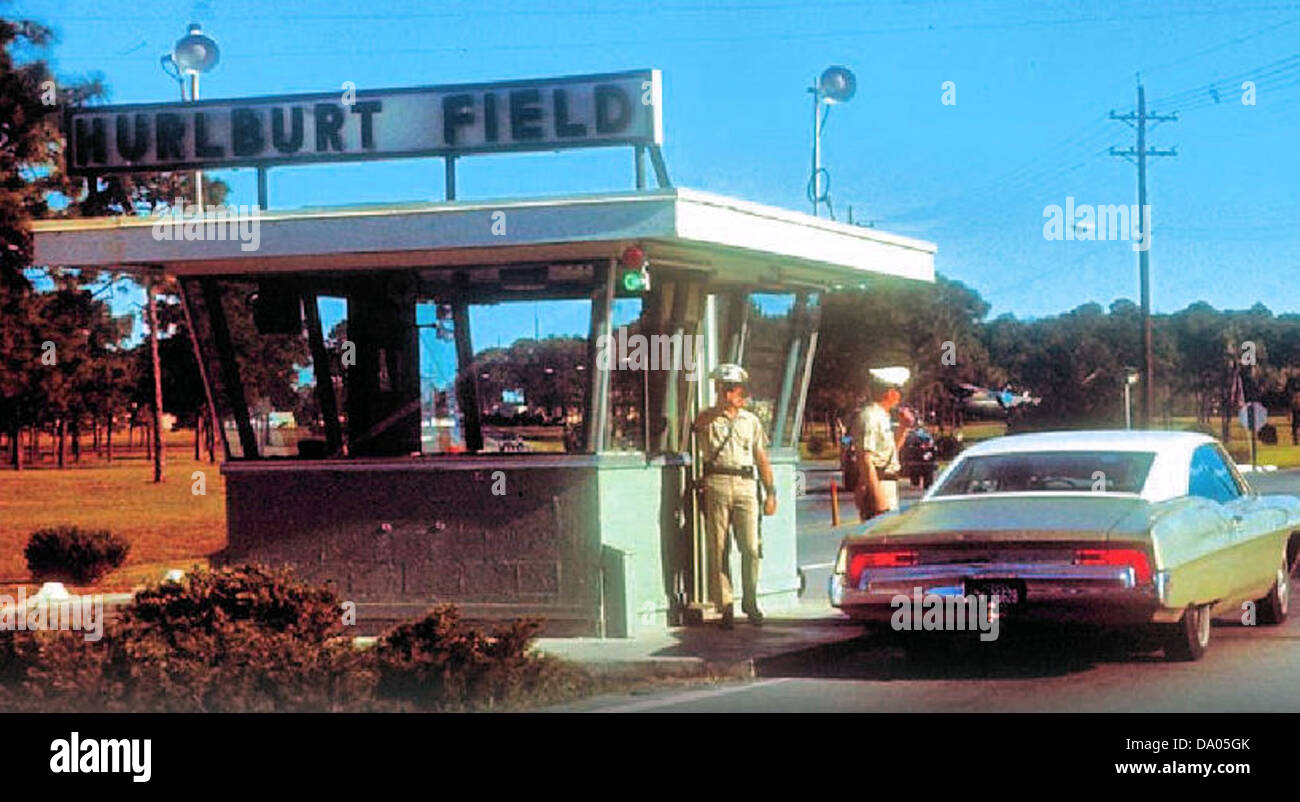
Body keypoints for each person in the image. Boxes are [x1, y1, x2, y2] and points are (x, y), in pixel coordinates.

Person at [693, 363, 777, 628]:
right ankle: (725, 604)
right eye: (728, 388)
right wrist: (720, 407)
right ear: (720, 389)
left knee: (751, 547)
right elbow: (697, 426)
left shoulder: (750, 421)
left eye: (737, 388)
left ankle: (750, 600)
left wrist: (770, 492)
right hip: (717, 481)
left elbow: (761, 457)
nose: (735, 393)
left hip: (745, 484)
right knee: (718, 547)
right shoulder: (708, 418)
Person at [851, 366, 915, 520]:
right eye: (899, 391)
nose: (900, 396)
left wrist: (904, 427)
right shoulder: (870, 417)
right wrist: (878, 497)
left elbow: (889, 453)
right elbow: (865, 459)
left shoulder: (882, 416)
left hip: (886, 483)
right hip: (878, 484)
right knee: (880, 532)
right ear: (890, 392)